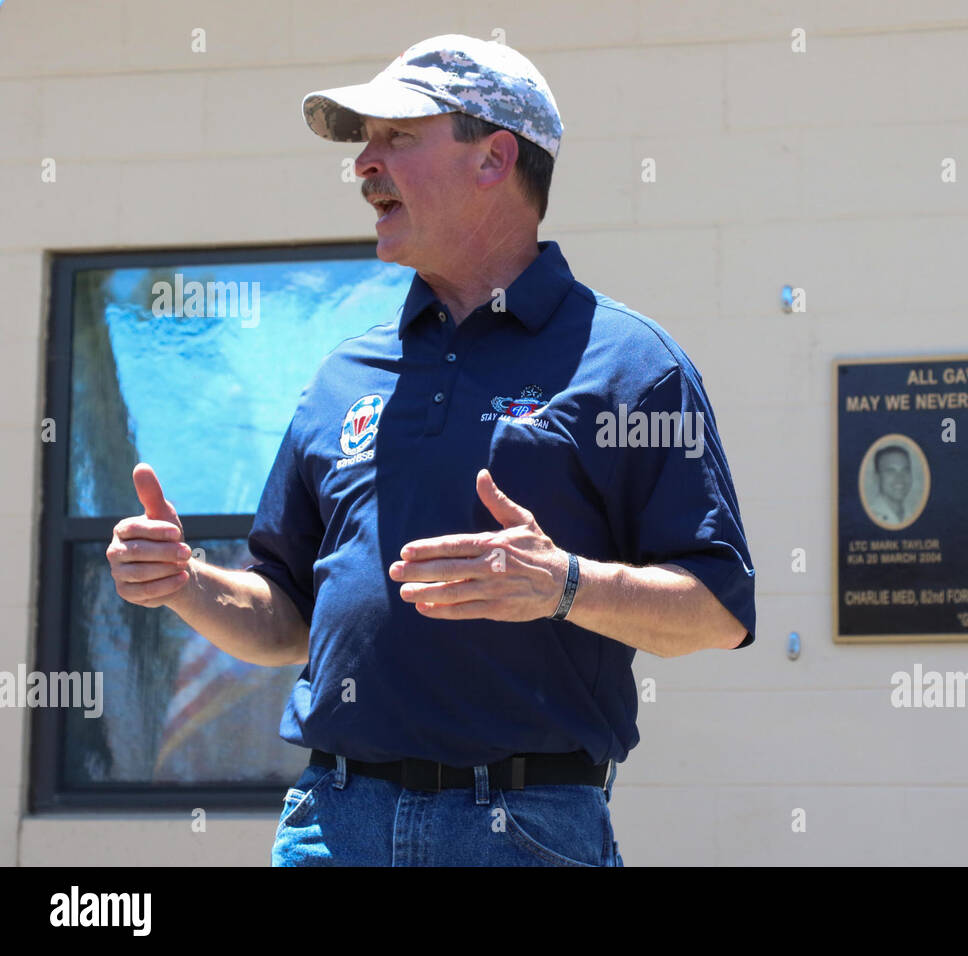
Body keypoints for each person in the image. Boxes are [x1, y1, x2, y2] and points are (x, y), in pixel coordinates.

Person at [104, 34, 756, 867]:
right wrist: (185, 582)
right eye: (363, 144)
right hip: (330, 826)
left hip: (523, 833)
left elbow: (716, 607)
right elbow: (287, 618)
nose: (363, 165)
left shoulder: (631, 365)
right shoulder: (344, 374)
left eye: (397, 137)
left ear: (495, 159)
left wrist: (563, 585)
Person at [869, 444, 913, 525]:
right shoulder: (868, 517)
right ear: (877, 477)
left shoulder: (913, 516)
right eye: (891, 471)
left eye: (905, 470)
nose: (900, 478)